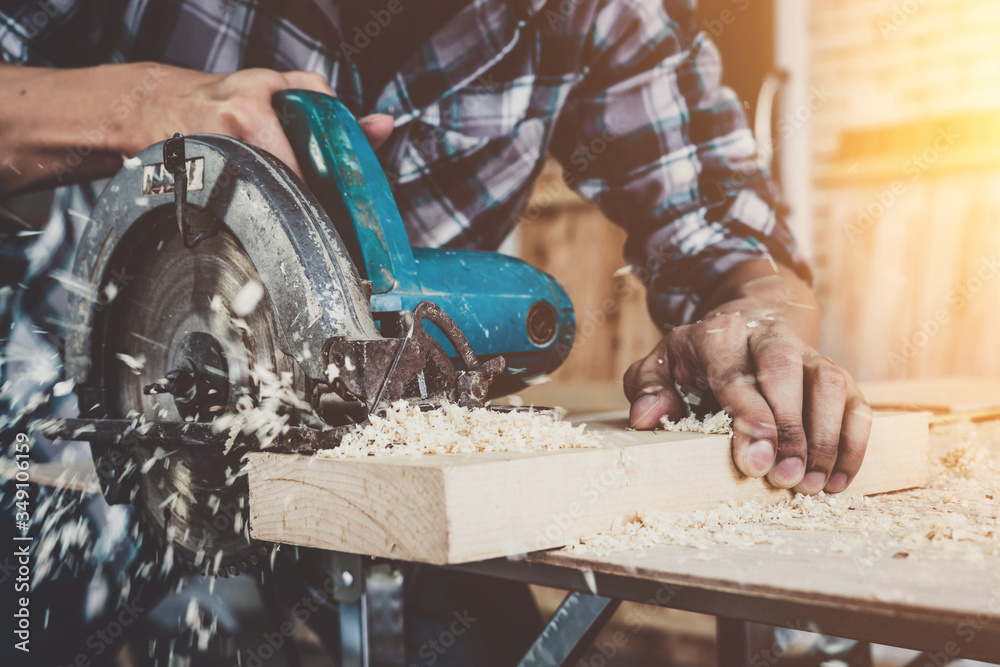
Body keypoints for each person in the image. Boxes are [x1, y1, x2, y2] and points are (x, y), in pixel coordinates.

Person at [0, 0, 873, 664]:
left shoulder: (592, 15)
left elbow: (725, 233)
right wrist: (145, 104)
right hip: (94, 434)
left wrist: (755, 324)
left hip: (388, 453)